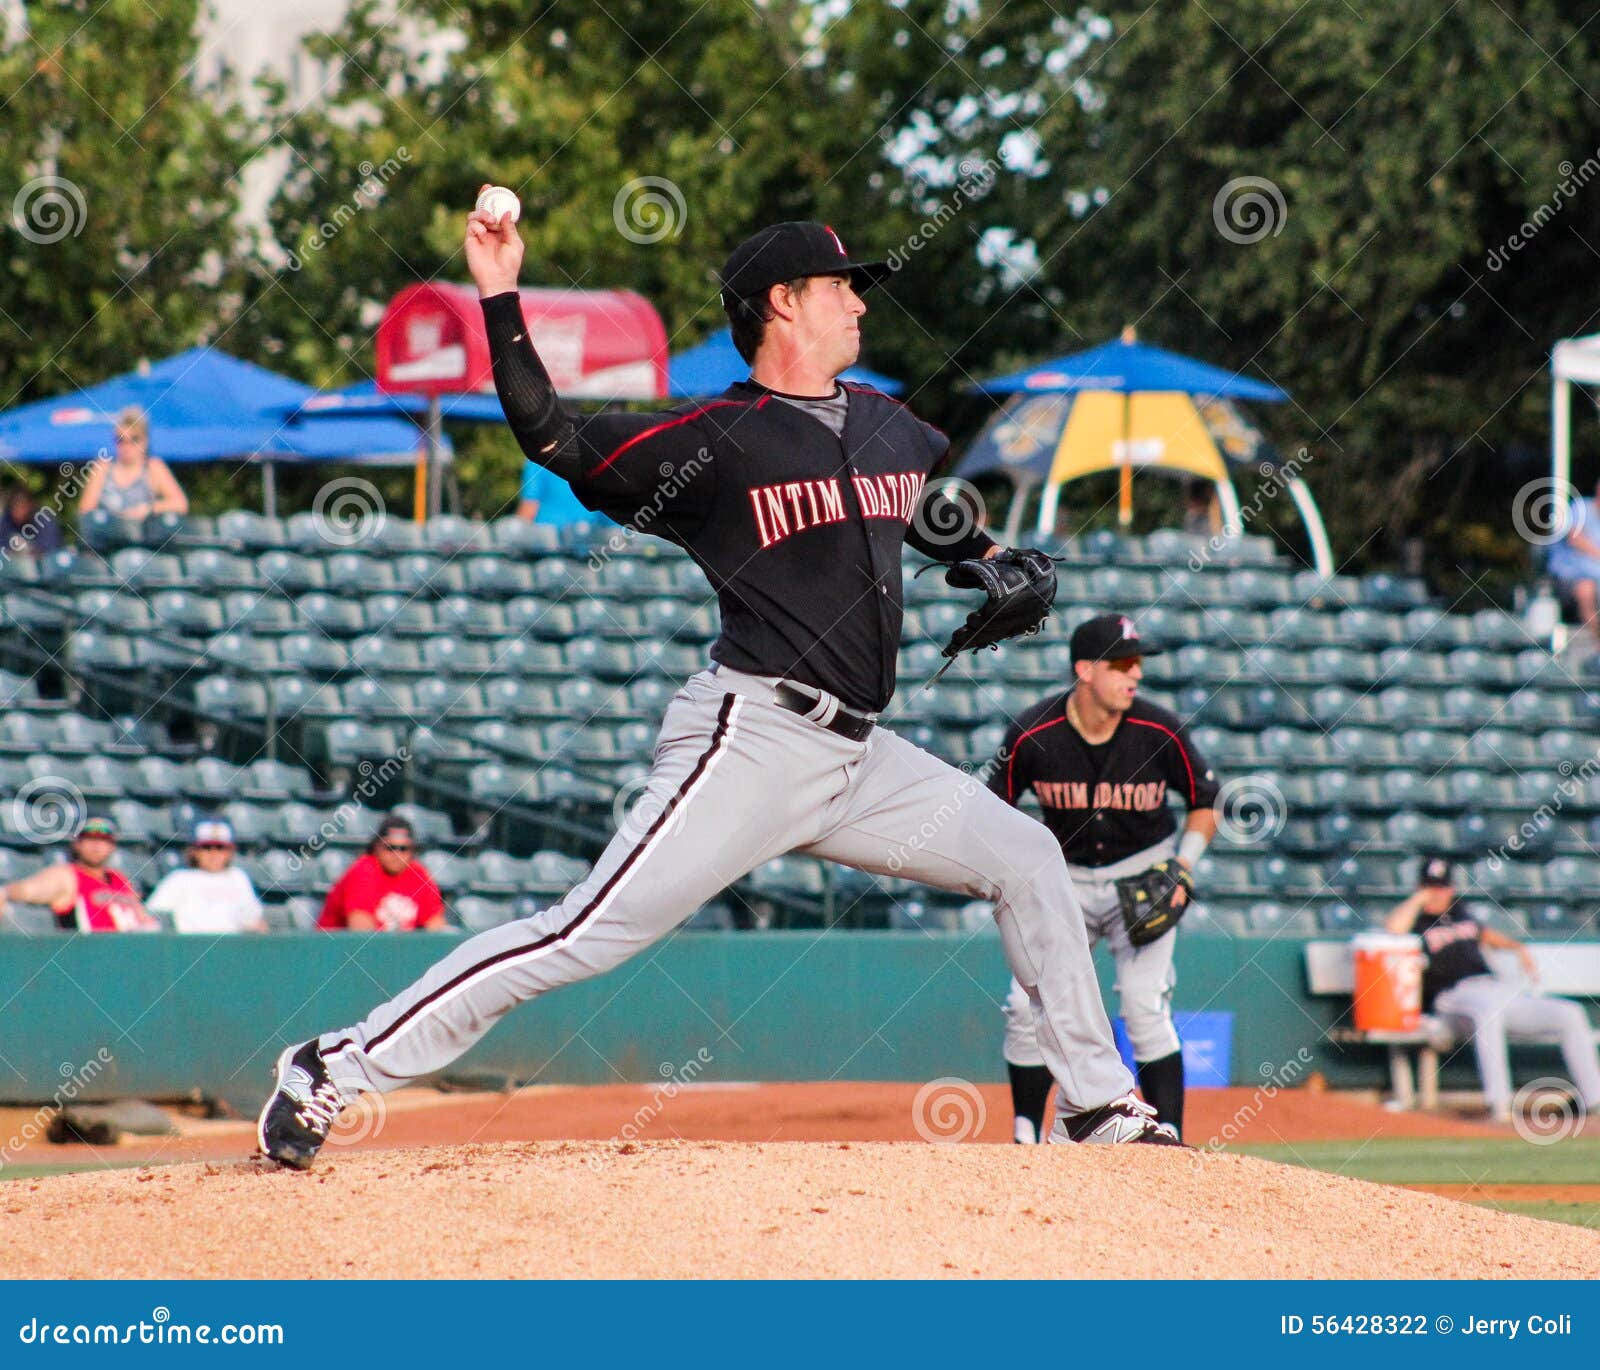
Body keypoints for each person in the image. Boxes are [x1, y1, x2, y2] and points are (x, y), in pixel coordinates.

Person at [254, 209, 1178, 1169]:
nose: (858, 299)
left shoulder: (886, 424)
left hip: (862, 757)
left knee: (1027, 855)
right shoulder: (716, 442)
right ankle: (336, 1062)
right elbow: (554, 437)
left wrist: (995, 558)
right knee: (585, 932)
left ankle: (1098, 1104)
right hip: (751, 738)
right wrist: (498, 292)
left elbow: (914, 507)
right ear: (784, 303)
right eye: (840, 285)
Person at [991, 613, 1220, 1142]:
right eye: (1121, 665)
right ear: (1085, 670)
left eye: (1137, 664)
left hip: (1143, 878)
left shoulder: (1159, 728)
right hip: (1063, 879)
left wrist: (1183, 865)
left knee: (1143, 1004)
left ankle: (1171, 1136)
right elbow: (992, 806)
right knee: (1025, 1006)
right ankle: (1026, 1136)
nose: (1134, 676)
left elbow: (1207, 800)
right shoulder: (1032, 731)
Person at [1385, 855, 1600, 1123]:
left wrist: (1516, 947)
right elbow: (1393, 929)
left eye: (1441, 886)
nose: (1436, 893)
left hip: (1490, 988)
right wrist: (1419, 900)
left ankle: (1594, 1100)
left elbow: (1482, 934)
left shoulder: (1460, 911)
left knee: (1570, 1013)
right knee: (1488, 1011)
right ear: (1420, 887)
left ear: (1451, 888)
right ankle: (1498, 1104)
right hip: (1450, 998)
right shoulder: (1415, 920)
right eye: (1430, 885)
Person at [0, 816, 157, 932]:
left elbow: (144, 919)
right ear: (77, 844)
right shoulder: (68, 876)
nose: (96, 845)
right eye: (89, 839)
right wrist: (6, 892)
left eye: (103, 840)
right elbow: (33, 889)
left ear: (112, 846)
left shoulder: (119, 878)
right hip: (89, 959)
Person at [317, 816, 447, 933]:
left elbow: (436, 926)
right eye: (390, 848)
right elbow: (361, 932)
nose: (397, 855)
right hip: (337, 953)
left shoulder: (418, 874)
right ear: (376, 847)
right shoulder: (363, 870)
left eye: (403, 849)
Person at [144, 819, 265, 934]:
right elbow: (153, 917)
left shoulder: (238, 877)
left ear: (229, 852)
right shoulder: (179, 879)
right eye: (206, 847)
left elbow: (254, 921)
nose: (213, 854)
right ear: (195, 851)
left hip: (231, 948)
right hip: (190, 947)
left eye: (219, 848)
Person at [77, 406, 189, 521]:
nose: (126, 446)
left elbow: (180, 504)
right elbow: (85, 510)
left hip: (144, 535)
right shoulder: (103, 467)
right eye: (120, 439)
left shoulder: (154, 467)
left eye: (134, 439)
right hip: (107, 534)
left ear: (145, 440)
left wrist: (149, 508)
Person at [1545, 478, 1600, 648]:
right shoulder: (1581, 507)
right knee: (1586, 589)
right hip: (1569, 579)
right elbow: (1574, 537)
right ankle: (1597, 641)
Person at [517, 458, 596, 526]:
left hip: (548, 538)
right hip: (595, 536)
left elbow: (529, 506)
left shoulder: (537, 460)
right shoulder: (595, 458)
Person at [0, 485, 63, 561]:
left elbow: (51, 551)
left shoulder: (44, 520)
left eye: (22, 507)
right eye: (14, 507)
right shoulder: (6, 519)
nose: (18, 512)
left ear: (30, 506)